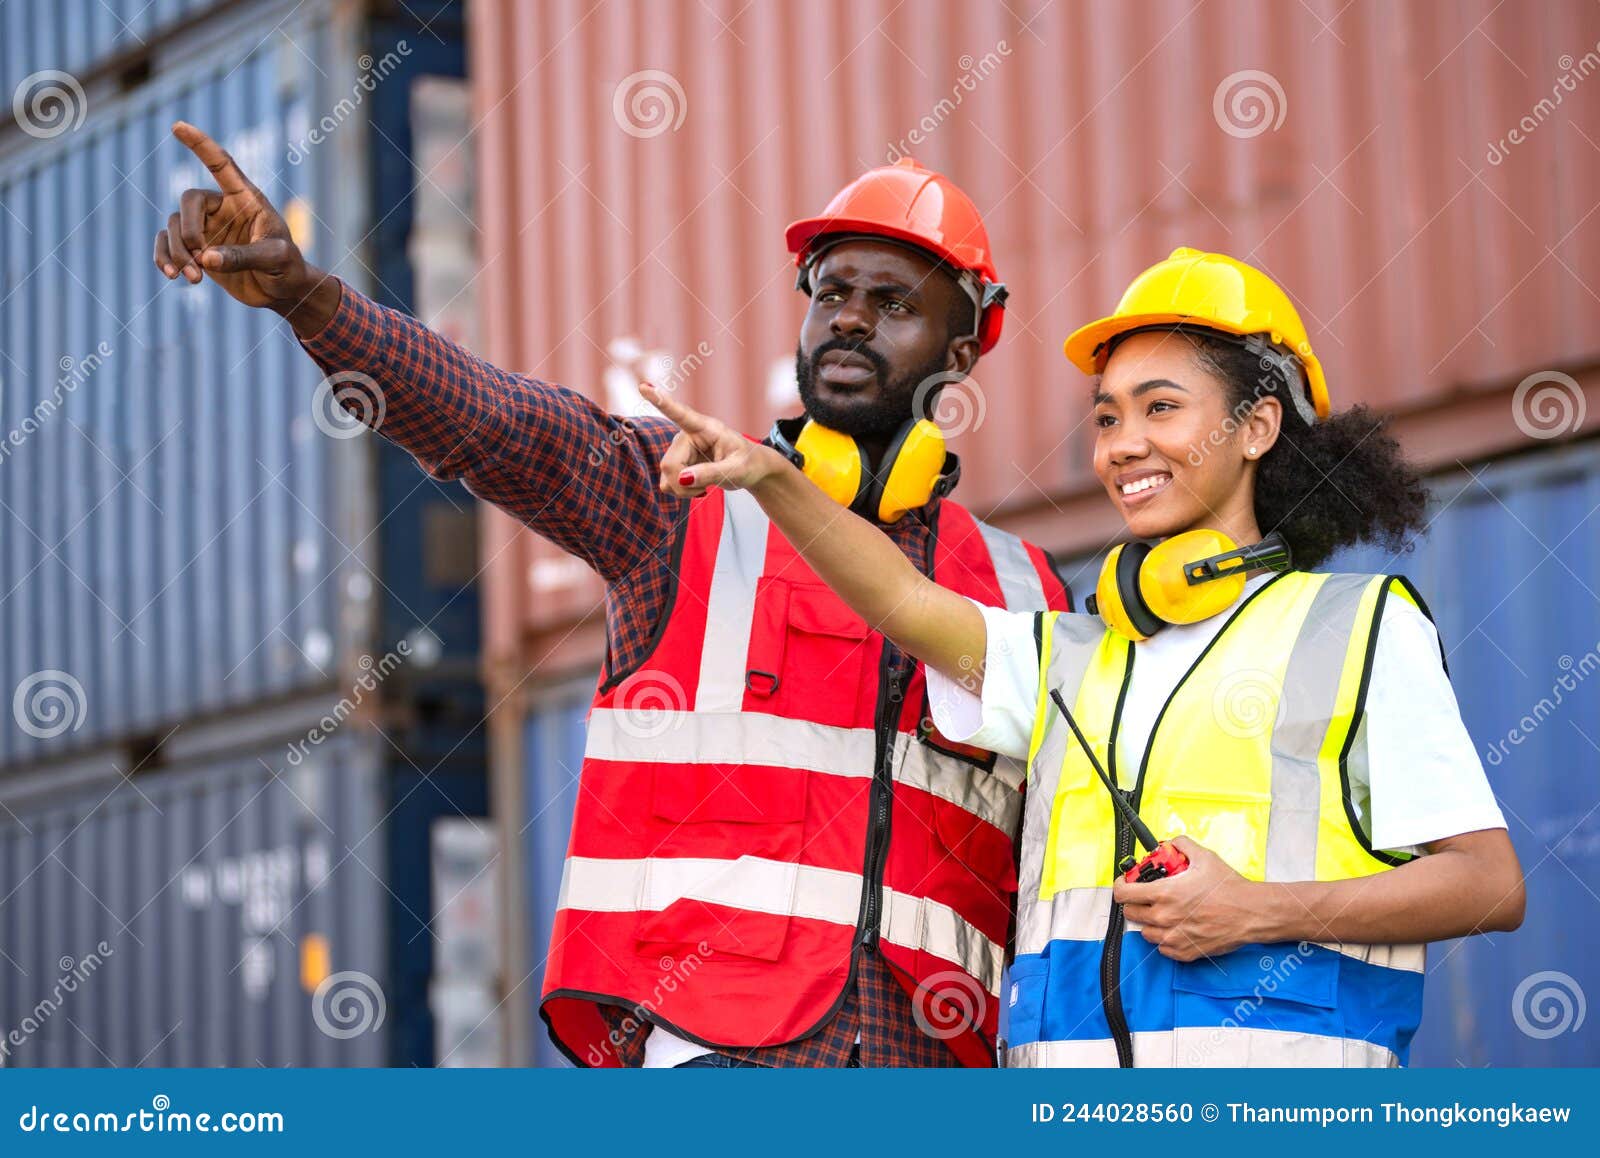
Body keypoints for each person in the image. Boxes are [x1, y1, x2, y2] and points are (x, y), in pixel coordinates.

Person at [153, 126, 1070, 1068]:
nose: (849, 320)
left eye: (893, 303)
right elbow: (494, 423)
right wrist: (310, 300)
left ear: (962, 349)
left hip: (938, 1061)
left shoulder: (1023, 591)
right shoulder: (679, 498)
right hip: (714, 1051)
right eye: (830, 293)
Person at [641, 246, 1527, 1068]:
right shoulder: (1067, 654)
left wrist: (1257, 910)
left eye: (1160, 408)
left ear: (1257, 426)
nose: (1122, 445)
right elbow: (903, 602)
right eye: (1107, 417)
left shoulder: (1357, 626)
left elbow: (1489, 884)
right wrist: (774, 478)